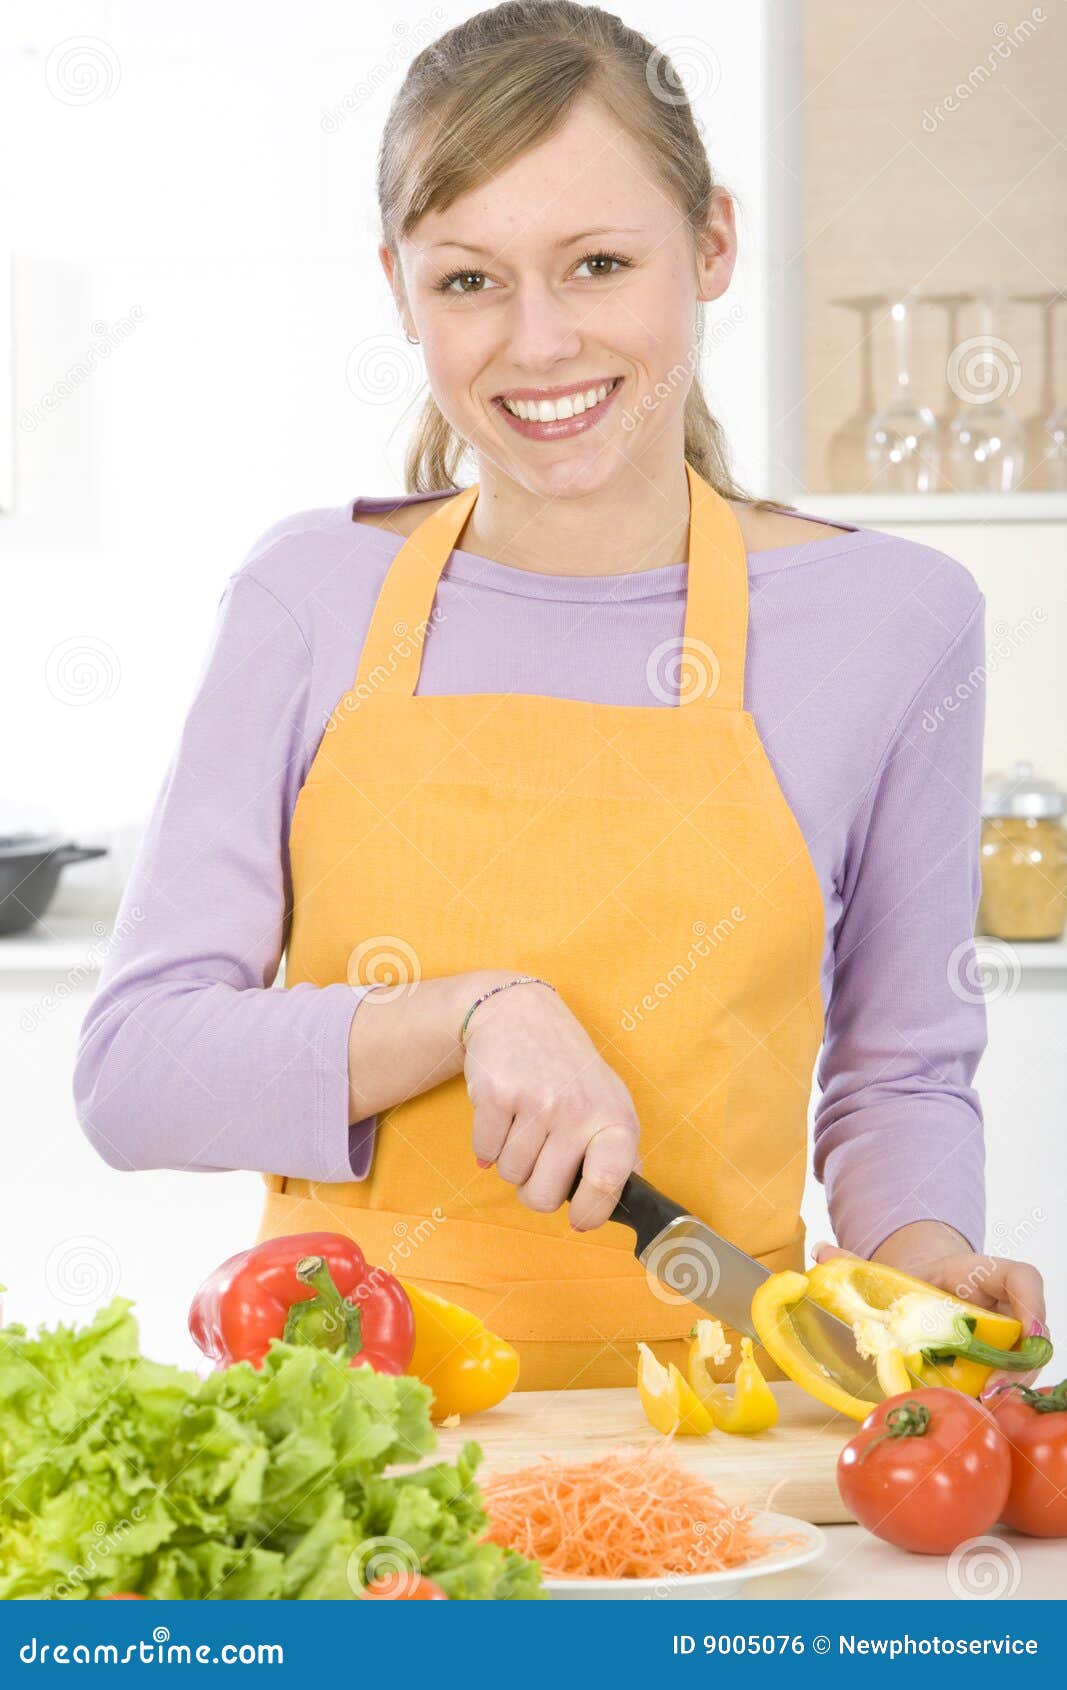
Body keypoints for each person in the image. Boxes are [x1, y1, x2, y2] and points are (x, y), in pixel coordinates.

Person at [75, 0, 1046, 1393]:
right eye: (469, 280)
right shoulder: (308, 595)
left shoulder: (894, 622)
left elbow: (899, 1074)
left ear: (712, 244)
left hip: (725, 1422)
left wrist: (931, 1263)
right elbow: (132, 1073)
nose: (537, 343)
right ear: (399, 289)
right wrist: (466, 1015)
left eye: (597, 263)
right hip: (353, 1427)